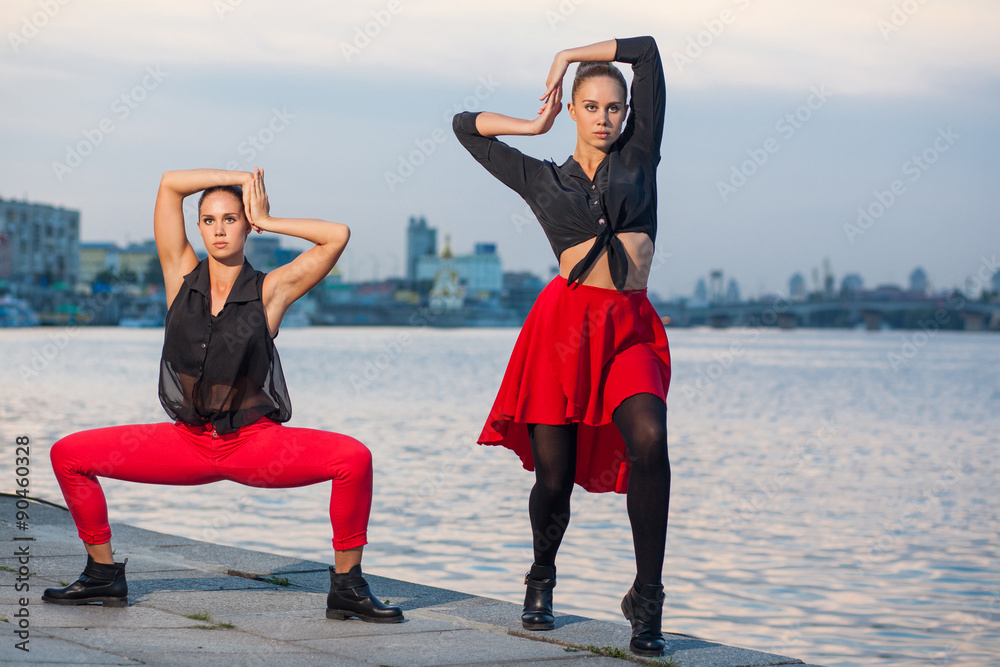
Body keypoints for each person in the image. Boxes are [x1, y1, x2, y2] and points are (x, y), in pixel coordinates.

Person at [42, 167, 403, 623]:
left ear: (247, 225)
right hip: (186, 443)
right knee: (68, 454)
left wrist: (267, 217)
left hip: (253, 444)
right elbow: (170, 184)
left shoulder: (270, 291)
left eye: (231, 219)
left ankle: (348, 588)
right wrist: (235, 176)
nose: (219, 229)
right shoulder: (180, 277)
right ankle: (102, 575)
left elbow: (336, 236)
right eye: (210, 220)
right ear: (198, 227)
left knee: (354, 459)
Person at [453, 36, 670, 656]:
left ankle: (647, 596)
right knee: (556, 476)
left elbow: (648, 53)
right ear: (573, 111)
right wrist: (531, 121)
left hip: (628, 329)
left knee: (649, 439)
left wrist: (569, 54)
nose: (605, 119)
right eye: (592, 107)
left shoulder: (642, 156)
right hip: (562, 334)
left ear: (627, 115)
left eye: (614, 109)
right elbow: (465, 127)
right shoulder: (542, 178)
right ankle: (541, 575)